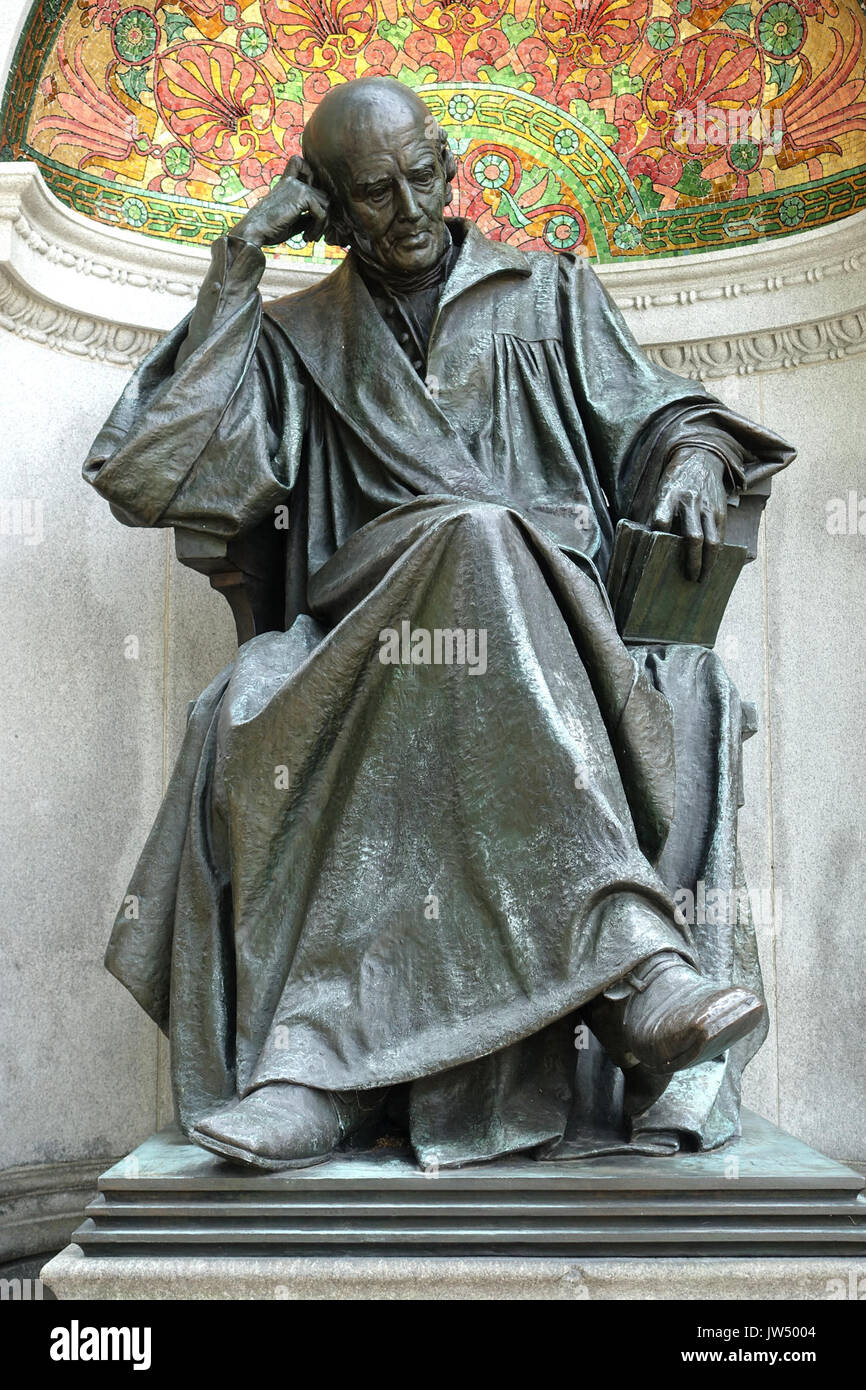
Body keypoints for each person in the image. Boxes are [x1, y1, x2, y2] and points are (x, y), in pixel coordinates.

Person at [84, 76, 794, 1171]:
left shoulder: (550, 292)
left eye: (422, 174)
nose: (408, 207)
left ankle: (312, 1072)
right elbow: (147, 468)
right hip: (365, 631)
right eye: (371, 192)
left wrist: (693, 458)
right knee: (460, 537)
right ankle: (631, 972)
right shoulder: (294, 338)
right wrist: (238, 256)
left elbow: (656, 410)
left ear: (450, 159)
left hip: (550, 623)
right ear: (322, 199)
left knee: (484, 542)